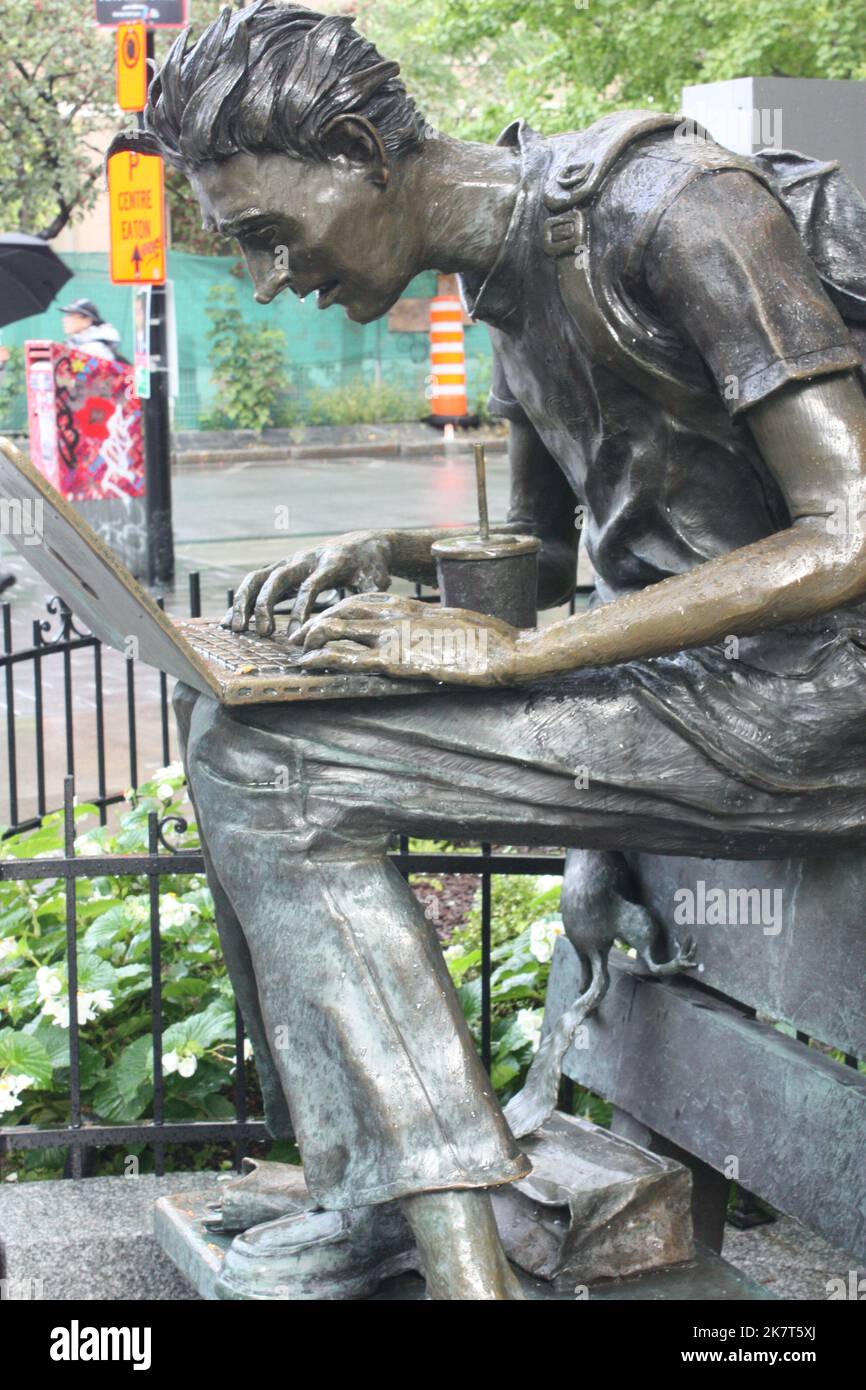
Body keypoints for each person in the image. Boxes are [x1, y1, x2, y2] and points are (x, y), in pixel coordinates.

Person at [112, 3, 866, 1300]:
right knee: (234, 736)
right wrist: (403, 554)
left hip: (813, 698)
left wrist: (512, 659)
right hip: (697, 689)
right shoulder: (509, 278)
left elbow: (847, 528)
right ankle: (370, 1198)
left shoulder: (675, 206)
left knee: (269, 773)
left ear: (358, 148)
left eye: (270, 236)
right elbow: (548, 555)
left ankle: (459, 1259)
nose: (271, 281)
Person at [59, 298, 128, 363]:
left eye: (71, 315)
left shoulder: (95, 349)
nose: (64, 320)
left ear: (87, 320)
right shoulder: (75, 344)